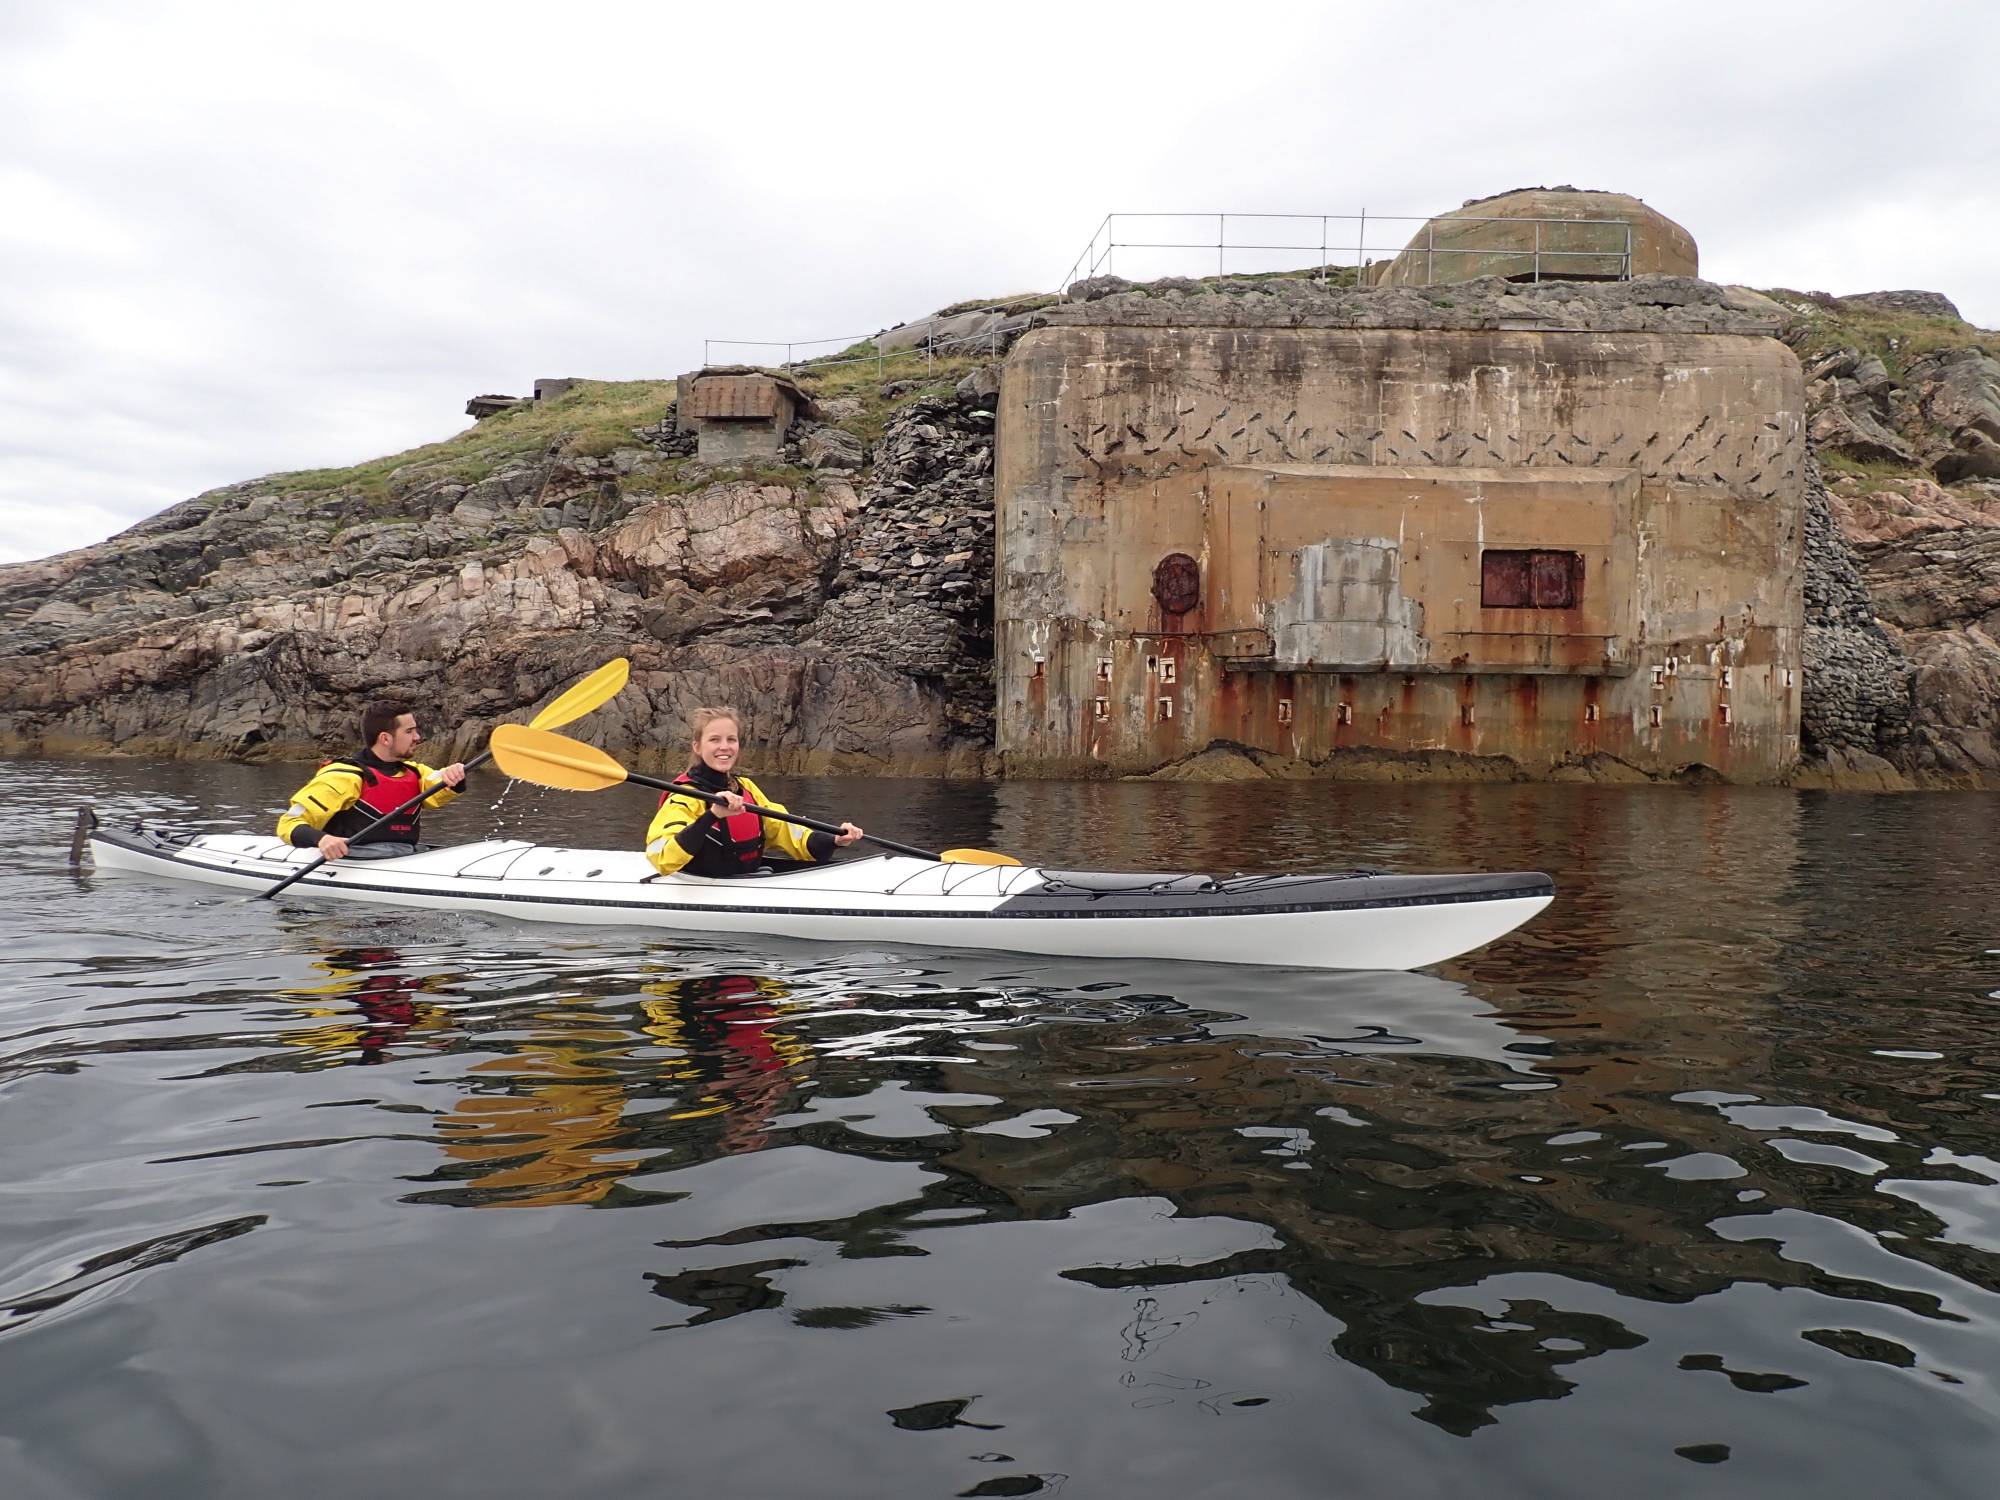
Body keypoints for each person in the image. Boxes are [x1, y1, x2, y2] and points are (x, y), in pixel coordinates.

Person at [643, 706, 862, 878]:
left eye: (731, 739)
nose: (724, 747)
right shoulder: (684, 797)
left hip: (747, 879)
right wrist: (712, 816)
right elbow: (662, 858)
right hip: (700, 884)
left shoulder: (746, 788)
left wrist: (834, 839)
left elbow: (786, 831)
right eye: (714, 739)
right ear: (697, 747)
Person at [276, 700, 467, 861]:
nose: (417, 737)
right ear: (385, 738)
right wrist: (322, 839)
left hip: (403, 856)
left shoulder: (416, 773)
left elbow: (440, 785)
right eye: (409, 732)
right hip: (354, 860)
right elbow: (289, 823)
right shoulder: (343, 777)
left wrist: (454, 775)